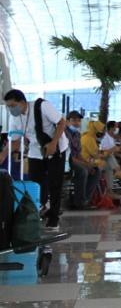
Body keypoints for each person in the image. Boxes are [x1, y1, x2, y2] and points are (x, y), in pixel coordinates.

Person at [3, 89, 68, 231]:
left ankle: (54, 218)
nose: (11, 109)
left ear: (22, 102)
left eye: (12, 105)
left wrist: (53, 143)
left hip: (55, 148)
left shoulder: (42, 106)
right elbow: (14, 141)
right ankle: (41, 208)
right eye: (8, 106)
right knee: (35, 183)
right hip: (35, 150)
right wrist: (2, 156)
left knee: (54, 183)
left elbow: (62, 122)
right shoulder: (15, 118)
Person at [65, 111, 99, 210]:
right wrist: (86, 165)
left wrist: (89, 164)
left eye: (79, 120)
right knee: (83, 171)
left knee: (96, 170)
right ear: (68, 121)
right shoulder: (64, 133)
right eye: (74, 120)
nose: (77, 123)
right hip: (66, 161)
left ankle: (85, 200)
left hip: (75, 159)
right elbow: (70, 157)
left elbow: (78, 154)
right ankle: (79, 202)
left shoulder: (77, 134)